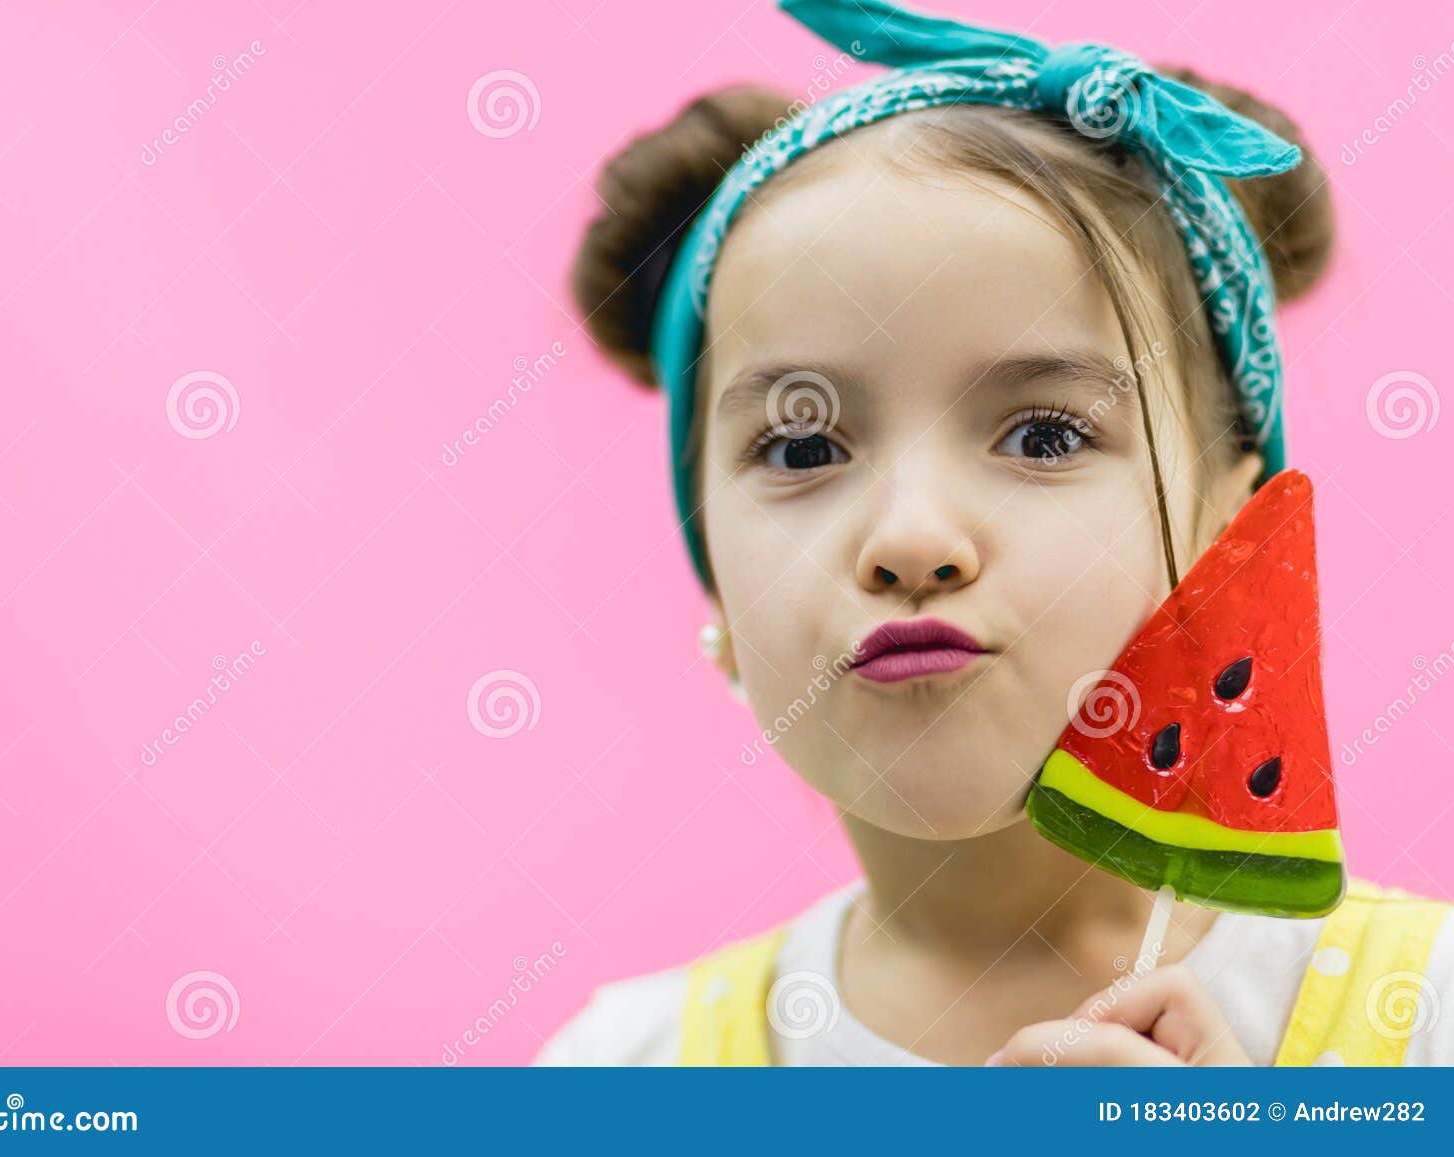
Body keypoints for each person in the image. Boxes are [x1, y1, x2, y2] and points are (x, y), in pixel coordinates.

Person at [537, 0, 1454, 1066]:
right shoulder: (622, 1067)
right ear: (714, 588)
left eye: (1045, 432)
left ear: (1229, 533)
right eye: (799, 449)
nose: (913, 536)